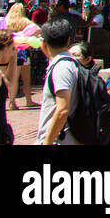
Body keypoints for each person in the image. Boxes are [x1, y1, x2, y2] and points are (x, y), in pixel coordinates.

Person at [37, 17, 78, 145]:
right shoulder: (69, 64)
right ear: (68, 41)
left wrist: (47, 142)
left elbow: (62, 110)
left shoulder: (62, 67)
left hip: (60, 140)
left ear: (43, 43)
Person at [4, 2, 38, 109]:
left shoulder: (6, 21)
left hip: (10, 50)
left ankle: (12, 101)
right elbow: (37, 29)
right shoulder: (26, 22)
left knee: (13, 77)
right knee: (26, 77)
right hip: (23, 52)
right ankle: (27, 100)